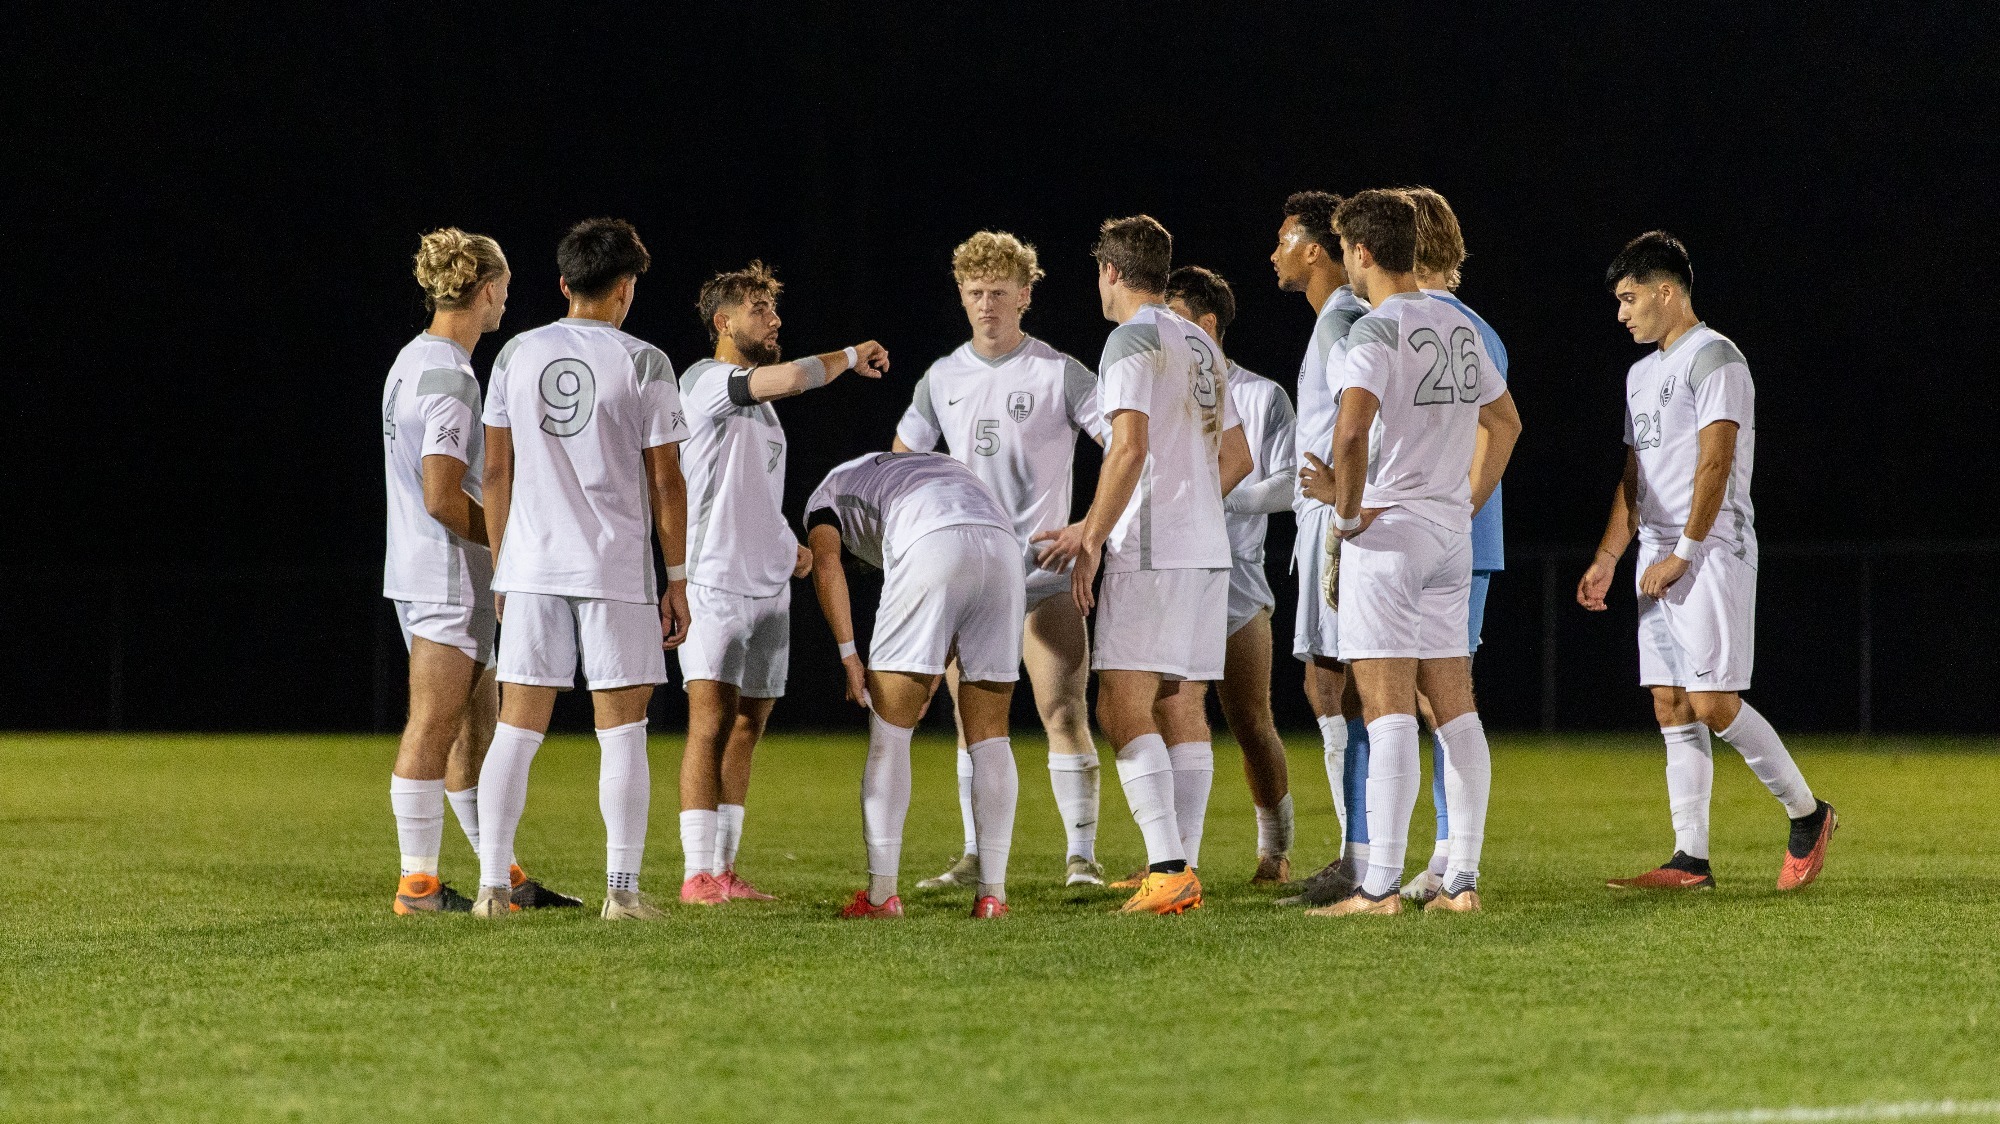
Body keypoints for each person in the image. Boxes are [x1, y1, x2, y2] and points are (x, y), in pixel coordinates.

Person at [1577, 231, 1837, 892]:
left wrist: (1685, 554)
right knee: (1669, 702)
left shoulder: (1716, 357)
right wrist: (1610, 556)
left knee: (1714, 701)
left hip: (1712, 549)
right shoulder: (1640, 374)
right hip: (1656, 554)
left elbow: (1716, 463)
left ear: (1666, 291)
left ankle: (1808, 815)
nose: (1621, 313)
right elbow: (1634, 478)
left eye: (1630, 298)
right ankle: (1690, 858)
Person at [1299, 190, 1520, 916]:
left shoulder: (1371, 331)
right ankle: (1462, 884)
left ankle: (1380, 888)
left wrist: (1348, 508)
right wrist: (1464, 498)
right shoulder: (1457, 327)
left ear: (1361, 253)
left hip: (1389, 538)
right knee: (1456, 710)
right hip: (1450, 537)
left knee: (1388, 711)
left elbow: (1352, 434)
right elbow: (1507, 422)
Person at [471, 217, 693, 921]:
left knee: (517, 730)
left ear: (565, 283)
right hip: (613, 568)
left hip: (532, 566)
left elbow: (496, 470)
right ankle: (621, 893)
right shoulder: (645, 360)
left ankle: (490, 890)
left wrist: (505, 566)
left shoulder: (514, 355)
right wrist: (679, 576)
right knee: (622, 732)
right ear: (626, 289)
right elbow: (667, 483)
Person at [1035, 216, 1253, 916]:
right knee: (1177, 703)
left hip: (1153, 547)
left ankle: (1167, 868)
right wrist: (1168, 508)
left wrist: (1095, 535)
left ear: (1109, 271)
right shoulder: (1200, 342)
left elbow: (1127, 449)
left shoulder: (1129, 338)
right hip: (1204, 548)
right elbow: (1236, 458)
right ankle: (1180, 866)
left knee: (1121, 704)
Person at [892, 231, 1106, 890]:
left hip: (1044, 575)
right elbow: (902, 458)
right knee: (972, 723)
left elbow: (1125, 445)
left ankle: (1082, 857)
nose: (986, 305)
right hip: (975, 577)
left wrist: (1089, 529)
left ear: (1026, 296)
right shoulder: (944, 376)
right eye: (975, 293)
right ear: (962, 296)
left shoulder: (1058, 371)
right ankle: (976, 854)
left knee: (1064, 712)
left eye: (999, 293)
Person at [380, 228, 579, 914]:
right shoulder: (451, 375)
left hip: (431, 572)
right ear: (488, 289)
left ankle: (504, 874)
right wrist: (508, 551)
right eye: (506, 289)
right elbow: (441, 495)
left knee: (473, 728)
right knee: (435, 724)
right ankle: (418, 887)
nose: (505, 303)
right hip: (444, 575)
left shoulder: (412, 359)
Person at [675, 261, 887, 905]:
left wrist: (788, 548)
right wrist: (852, 355)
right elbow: (795, 376)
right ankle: (695, 874)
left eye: (773, 308)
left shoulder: (764, 418)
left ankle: (725, 869)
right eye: (759, 309)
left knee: (749, 726)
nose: (774, 320)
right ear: (723, 321)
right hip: (713, 583)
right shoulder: (708, 381)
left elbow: (747, 496)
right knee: (708, 721)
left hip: (767, 587)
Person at [803, 451, 1026, 919]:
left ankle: (882, 897)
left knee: (889, 733)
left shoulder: (824, 496)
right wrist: (925, 680)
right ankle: (993, 897)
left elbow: (826, 565)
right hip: (1003, 547)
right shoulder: (923, 465)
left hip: (929, 540)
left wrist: (849, 656)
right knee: (990, 734)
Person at [1162, 265, 1300, 884]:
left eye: (1177, 319)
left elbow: (1292, 484)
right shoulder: (1164, 392)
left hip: (1239, 577)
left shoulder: (1260, 394)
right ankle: (1173, 858)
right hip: (1177, 574)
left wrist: (1221, 500)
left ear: (1207, 323)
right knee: (1176, 706)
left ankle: (1275, 847)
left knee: (1250, 722)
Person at [1395, 186, 1513, 904]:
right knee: (1425, 699)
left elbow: (1491, 429)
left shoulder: (1457, 328)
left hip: (1450, 542)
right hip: (1447, 537)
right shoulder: (1454, 323)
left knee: (1444, 701)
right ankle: (1442, 857)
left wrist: (1457, 510)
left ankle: (1454, 859)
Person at [1267, 192, 1375, 908]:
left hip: (1339, 521)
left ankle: (1364, 853)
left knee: (1352, 684)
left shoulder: (1343, 319)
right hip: (1326, 517)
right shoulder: (1331, 322)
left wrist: (1343, 492)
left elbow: (1368, 411)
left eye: (1281, 241)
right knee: (1328, 682)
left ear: (1313, 251)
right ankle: (1357, 849)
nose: (1272, 255)